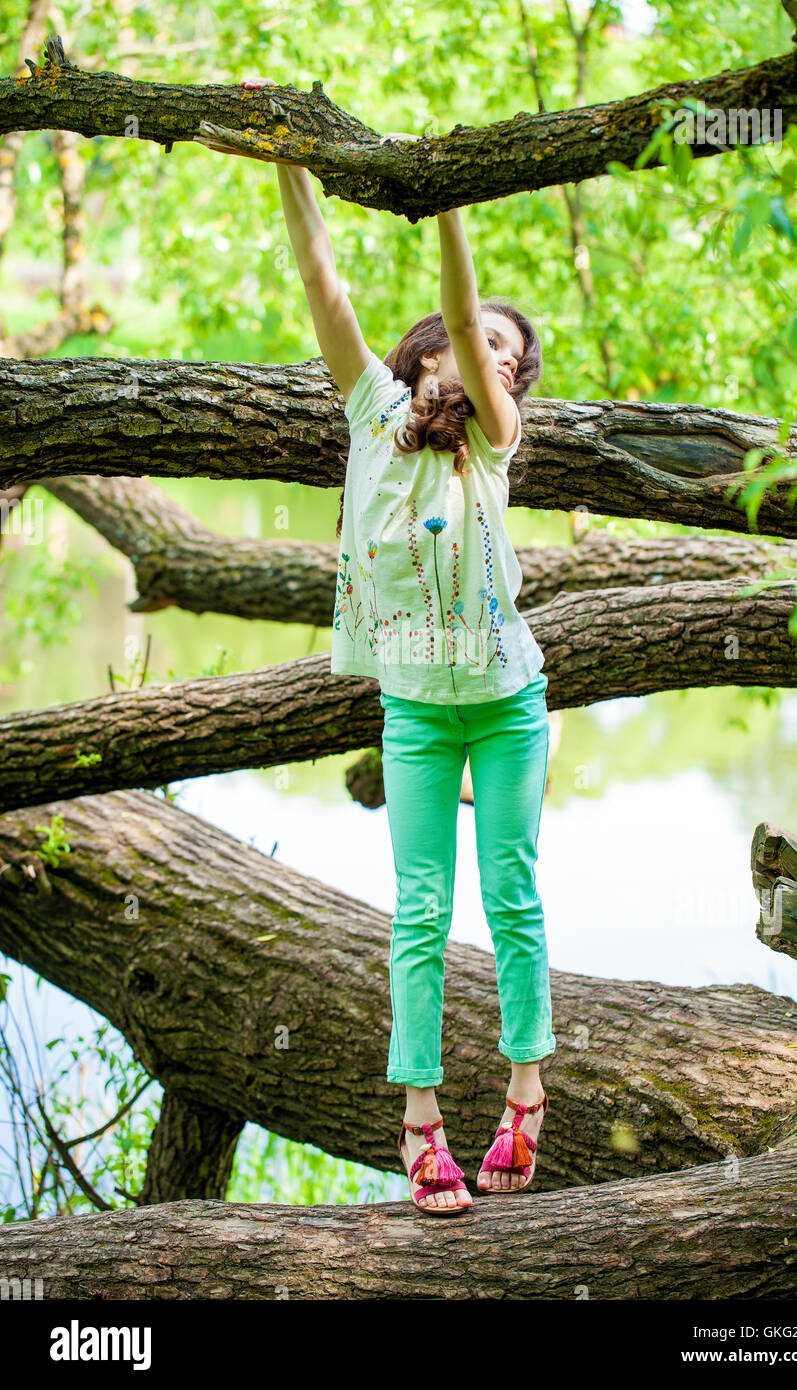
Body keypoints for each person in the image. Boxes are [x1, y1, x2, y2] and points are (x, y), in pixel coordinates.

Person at [236, 78, 555, 1215]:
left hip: (508, 702)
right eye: (484, 349)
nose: (494, 361)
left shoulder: (496, 446)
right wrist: (284, 159)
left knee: (509, 888)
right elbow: (322, 282)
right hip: (416, 708)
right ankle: (419, 1119)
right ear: (424, 357)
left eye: (510, 360)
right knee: (419, 908)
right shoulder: (372, 408)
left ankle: (523, 1093)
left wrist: (451, 203)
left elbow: (470, 319)